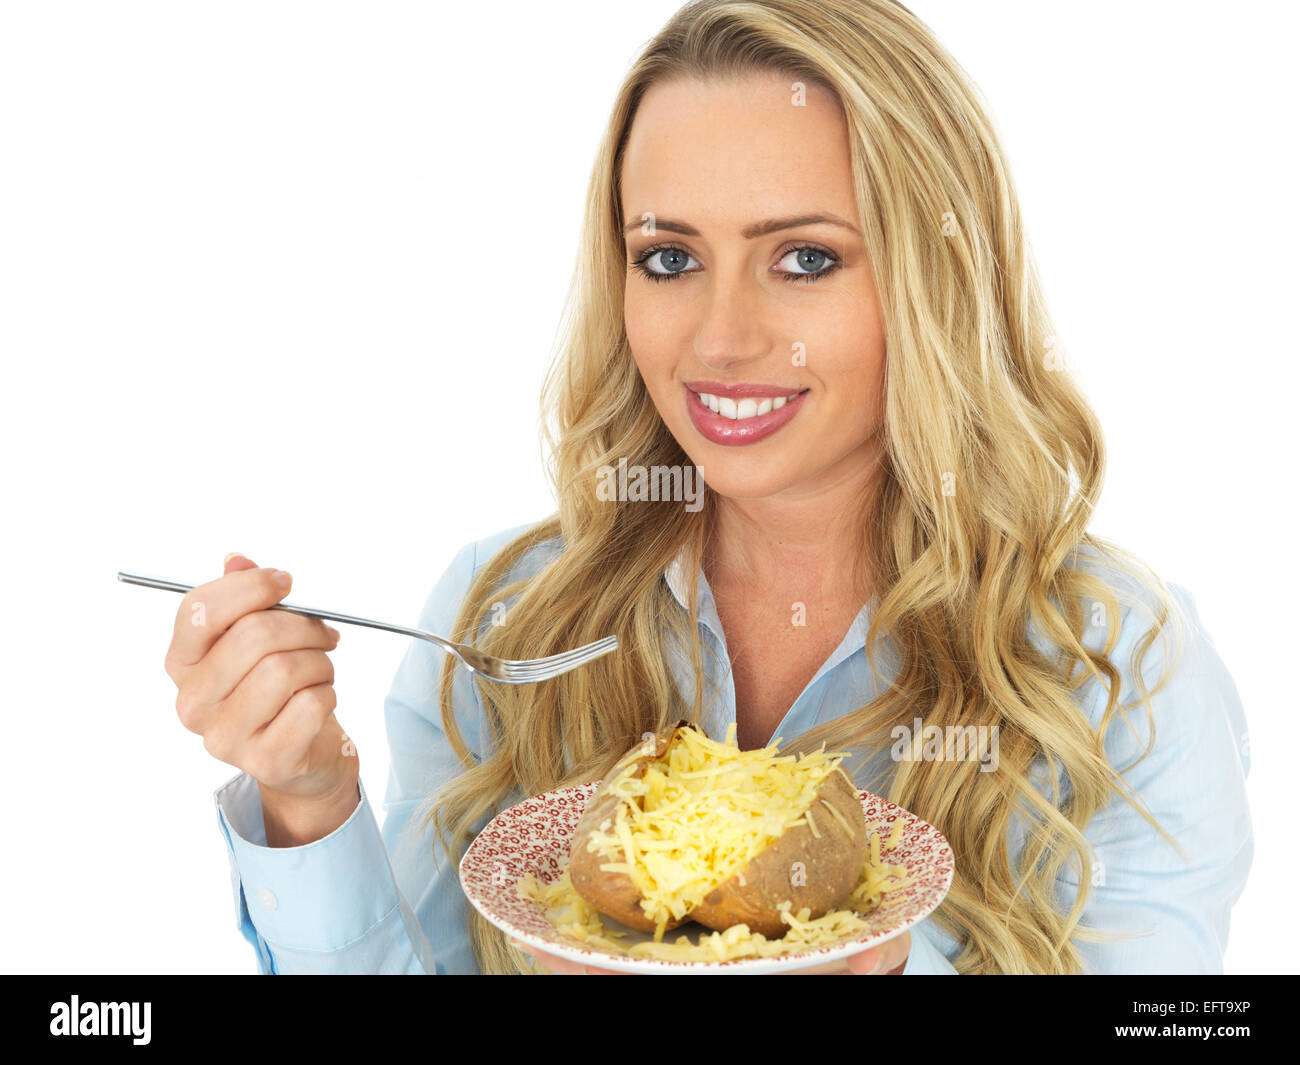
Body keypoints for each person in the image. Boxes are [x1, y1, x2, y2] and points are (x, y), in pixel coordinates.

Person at [162, 0, 1252, 975]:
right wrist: (308, 801)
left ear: (935, 273)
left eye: (805, 259)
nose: (722, 341)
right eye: (669, 259)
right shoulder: (508, 615)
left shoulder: (1115, 670)